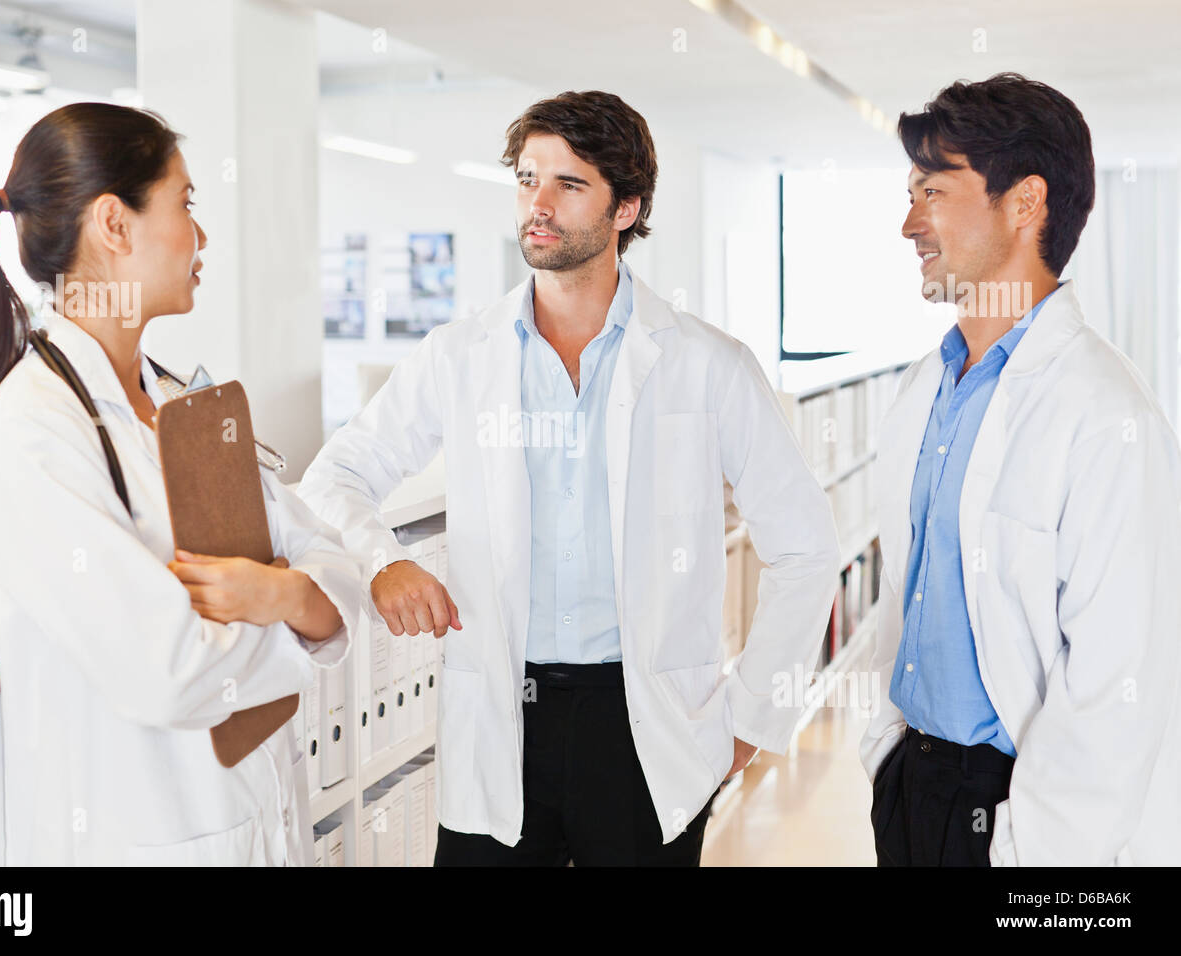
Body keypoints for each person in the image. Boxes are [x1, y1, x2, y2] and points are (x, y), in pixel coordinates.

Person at [300, 90, 840, 866]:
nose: (538, 204)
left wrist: (751, 720)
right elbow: (337, 474)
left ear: (627, 208)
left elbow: (806, 546)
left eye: (568, 184)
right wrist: (382, 559)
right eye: (527, 179)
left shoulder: (707, 363)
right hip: (499, 714)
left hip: (644, 721)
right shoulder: (461, 354)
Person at [0, 102, 361, 865]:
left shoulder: (179, 403)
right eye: (186, 202)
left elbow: (327, 566)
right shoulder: (34, 432)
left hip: (258, 824)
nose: (201, 236)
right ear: (114, 223)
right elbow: (168, 671)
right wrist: (300, 609)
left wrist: (287, 595)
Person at [863, 73, 1181, 866]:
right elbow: (906, 593)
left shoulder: (1108, 414)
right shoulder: (923, 391)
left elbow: (1116, 683)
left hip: (1015, 817)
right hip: (909, 788)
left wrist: (1027, 854)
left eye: (933, 192)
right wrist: (886, 758)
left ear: (1024, 203)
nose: (909, 223)